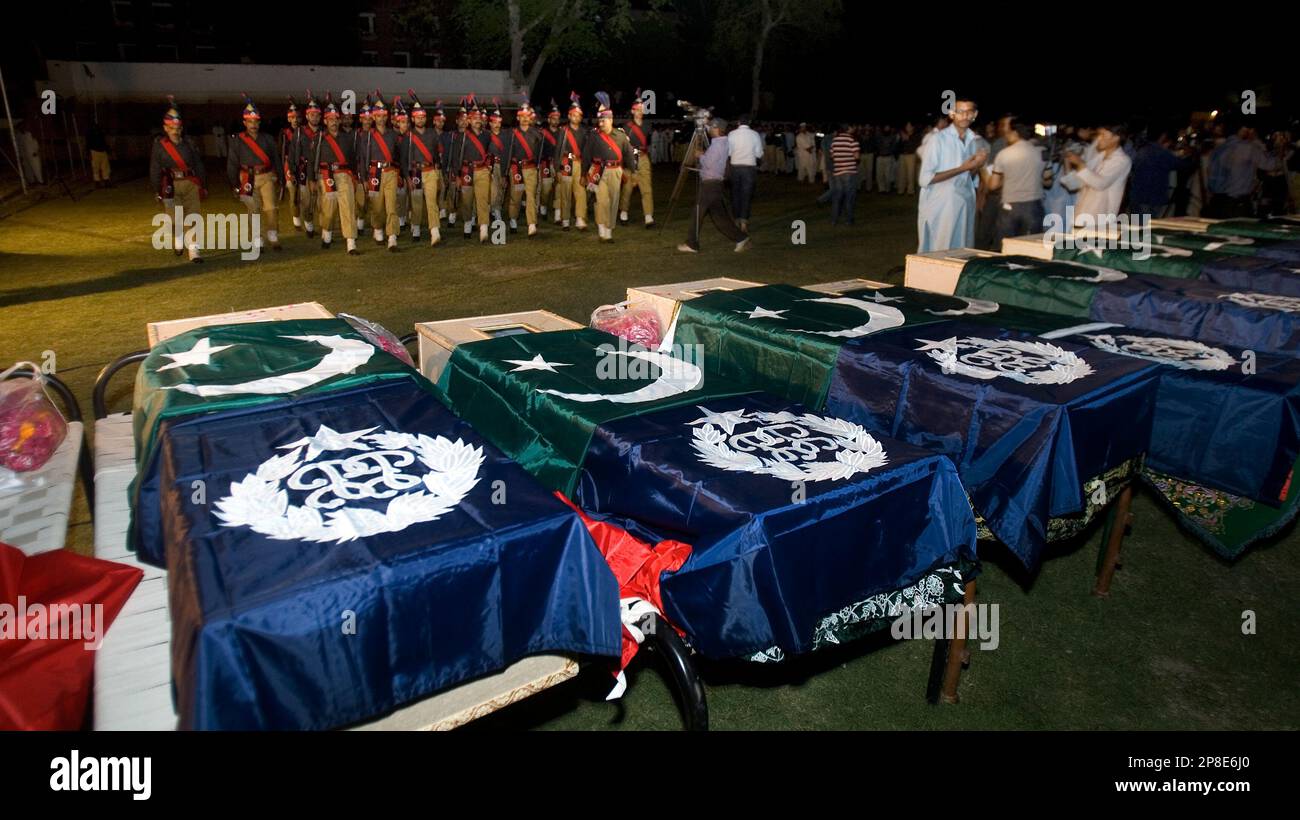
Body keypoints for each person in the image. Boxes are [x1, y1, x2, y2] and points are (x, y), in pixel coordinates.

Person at [917, 97, 986, 251]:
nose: (965, 116)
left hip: (965, 201)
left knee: (962, 249)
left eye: (969, 112)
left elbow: (970, 177)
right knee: (940, 249)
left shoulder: (975, 140)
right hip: (941, 205)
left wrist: (977, 165)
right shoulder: (938, 140)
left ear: (975, 114)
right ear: (951, 114)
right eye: (960, 111)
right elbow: (925, 179)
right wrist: (963, 168)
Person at [678, 117, 750, 253]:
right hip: (715, 184)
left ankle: (692, 244)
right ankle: (741, 238)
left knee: (697, 213)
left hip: (710, 185)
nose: (708, 129)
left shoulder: (717, 144)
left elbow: (708, 163)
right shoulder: (722, 141)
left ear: (717, 129)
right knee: (719, 217)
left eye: (711, 127)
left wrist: (700, 155)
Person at [149, 97, 205, 262]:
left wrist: (203, 184)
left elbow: (198, 164)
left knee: (193, 216)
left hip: (190, 183)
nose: (176, 130)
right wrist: (157, 189)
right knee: (175, 217)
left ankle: (194, 250)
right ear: (165, 128)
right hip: (170, 185)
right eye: (172, 127)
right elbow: (155, 168)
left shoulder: (188, 143)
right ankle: (178, 239)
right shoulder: (159, 146)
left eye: (178, 127)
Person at [227, 96, 281, 251]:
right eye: (250, 122)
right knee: (253, 210)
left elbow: (275, 159)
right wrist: (235, 185)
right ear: (244, 123)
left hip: (266, 176)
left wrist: (281, 178)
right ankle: (258, 239)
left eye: (256, 121)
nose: (253, 125)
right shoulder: (237, 140)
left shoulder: (268, 139)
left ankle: (272, 235)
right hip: (247, 178)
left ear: (259, 122)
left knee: (271, 207)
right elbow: (232, 163)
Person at [313, 94, 359, 254]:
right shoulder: (319, 138)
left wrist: (354, 176)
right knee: (328, 209)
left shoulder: (347, 138)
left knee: (348, 207)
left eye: (336, 119)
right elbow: (314, 158)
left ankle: (351, 242)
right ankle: (327, 233)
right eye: (330, 119)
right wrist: (313, 178)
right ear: (325, 121)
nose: (333, 122)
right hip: (326, 175)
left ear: (339, 120)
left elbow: (353, 158)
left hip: (343, 174)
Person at [585, 92, 634, 242]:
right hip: (598, 171)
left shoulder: (620, 136)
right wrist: (582, 174)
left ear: (611, 119)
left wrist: (633, 171)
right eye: (600, 119)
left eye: (604, 119)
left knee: (613, 201)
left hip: (616, 172)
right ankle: (602, 230)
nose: (601, 122)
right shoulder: (594, 136)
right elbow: (586, 155)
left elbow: (628, 155)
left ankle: (609, 229)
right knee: (601, 201)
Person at [986, 118, 1045, 244]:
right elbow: (1048, 182)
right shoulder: (1040, 152)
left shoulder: (1004, 154)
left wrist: (982, 170)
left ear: (1015, 132)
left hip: (1010, 206)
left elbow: (993, 185)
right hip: (1034, 206)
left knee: (1007, 247)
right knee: (1031, 248)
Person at [1061, 123, 1132, 227]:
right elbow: (1074, 184)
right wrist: (1067, 162)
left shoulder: (1122, 160)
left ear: (1116, 138)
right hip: (1081, 217)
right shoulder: (1099, 157)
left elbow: (1100, 183)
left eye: (1103, 135)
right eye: (1098, 135)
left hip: (1099, 221)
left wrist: (1080, 164)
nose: (1098, 138)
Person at [1206, 123, 1280, 217]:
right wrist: (1279, 151)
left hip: (1217, 201)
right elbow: (1271, 165)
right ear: (1244, 129)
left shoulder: (1220, 148)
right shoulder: (1248, 148)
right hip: (1238, 202)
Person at [362, 94, 403, 250]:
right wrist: (364, 177)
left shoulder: (393, 134)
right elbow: (363, 157)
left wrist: (401, 174)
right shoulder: (367, 136)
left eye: (383, 115)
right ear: (373, 117)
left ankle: (392, 236)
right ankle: (378, 228)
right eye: (378, 116)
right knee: (377, 207)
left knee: (392, 206)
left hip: (391, 171)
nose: (381, 118)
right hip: (374, 172)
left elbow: (399, 155)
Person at [1129, 128, 1195, 218]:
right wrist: (1190, 154)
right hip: (1152, 197)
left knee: (1137, 227)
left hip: (1137, 195)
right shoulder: (1160, 152)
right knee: (1147, 226)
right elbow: (1182, 164)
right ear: (1162, 136)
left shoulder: (1141, 150)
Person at [404, 92, 442, 246]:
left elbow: (436, 153)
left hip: (430, 171)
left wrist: (438, 169)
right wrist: (407, 177)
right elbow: (404, 159)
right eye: (418, 117)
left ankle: (435, 231)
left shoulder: (433, 133)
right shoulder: (409, 136)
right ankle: (417, 227)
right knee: (417, 202)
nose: (421, 119)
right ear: (413, 119)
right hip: (415, 173)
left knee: (432, 202)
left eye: (423, 117)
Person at [507, 96, 544, 236]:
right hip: (516, 168)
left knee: (531, 196)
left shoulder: (537, 134)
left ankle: (531, 224)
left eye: (527, 116)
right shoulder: (512, 133)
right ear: (518, 118)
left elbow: (541, 151)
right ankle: (513, 219)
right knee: (516, 196)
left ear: (530, 117)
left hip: (530, 168)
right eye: (522, 116)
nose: (524, 119)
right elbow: (508, 152)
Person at [617, 90, 655, 228]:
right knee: (627, 188)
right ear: (632, 111)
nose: (640, 111)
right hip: (630, 159)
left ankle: (648, 216)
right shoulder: (626, 127)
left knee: (646, 187)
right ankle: (623, 212)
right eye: (637, 109)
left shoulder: (647, 126)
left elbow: (647, 144)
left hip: (643, 158)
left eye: (642, 109)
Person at [458, 97, 493, 242]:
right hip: (466, 170)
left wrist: (490, 165)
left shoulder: (487, 135)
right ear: (469, 121)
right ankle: (467, 224)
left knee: (482, 200)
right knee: (467, 200)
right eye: (474, 118)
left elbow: (491, 151)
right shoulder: (463, 137)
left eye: (479, 118)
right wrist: (457, 175)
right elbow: (457, 157)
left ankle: (483, 228)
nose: (478, 121)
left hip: (482, 170)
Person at [557, 91, 590, 230]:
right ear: (569, 115)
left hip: (579, 163)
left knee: (580, 192)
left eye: (578, 115)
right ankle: (565, 219)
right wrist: (556, 167)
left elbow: (586, 151)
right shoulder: (563, 131)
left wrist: (586, 170)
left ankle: (580, 218)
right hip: (566, 164)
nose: (576, 117)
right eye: (573, 115)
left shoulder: (584, 131)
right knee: (565, 192)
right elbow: (558, 150)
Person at [728, 115, 764, 233]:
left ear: (738, 122)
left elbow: (728, 152)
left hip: (735, 166)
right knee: (746, 195)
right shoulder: (755, 134)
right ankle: (744, 223)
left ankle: (736, 219)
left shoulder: (732, 134)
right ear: (749, 122)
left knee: (735, 194)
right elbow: (759, 154)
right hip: (749, 168)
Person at [828, 123, 861, 225]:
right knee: (849, 197)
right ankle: (849, 220)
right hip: (849, 172)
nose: (854, 128)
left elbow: (832, 156)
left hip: (838, 172)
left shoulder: (835, 140)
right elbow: (857, 156)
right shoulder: (852, 140)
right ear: (849, 128)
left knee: (837, 197)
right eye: (853, 126)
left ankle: (834, 220)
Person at [539, 100, 561, 223]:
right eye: (553, 118)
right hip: (546, 163)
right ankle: (543, 207)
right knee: (546, 189)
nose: (556, 120)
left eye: (557, 118)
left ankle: (558, 214)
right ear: (549, 119)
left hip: (558, 163)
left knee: (559, 188)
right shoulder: (542, 133)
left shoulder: (562, 133)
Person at [897, 122, 921, 195]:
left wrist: (908, 137)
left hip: (911, 155)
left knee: (910, 174)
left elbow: (916, 145)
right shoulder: (902, 135)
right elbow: (898, 145)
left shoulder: (916, 135)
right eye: (907, 126)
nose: (908, 127)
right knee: (901, 173)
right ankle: (901, 190)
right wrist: (901, 139)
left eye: (909, 126)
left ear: (912, 127)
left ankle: (910, 190)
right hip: (902, 155)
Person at [875, 124, 899, 194]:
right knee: (879, 174)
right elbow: (876, 145)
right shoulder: (879, 136)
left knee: (888, 174)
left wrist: (889, 151)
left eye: (888, 127)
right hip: (880, 157)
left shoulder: (892, 136)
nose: (886, 128)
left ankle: (887, 189)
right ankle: (881, 189)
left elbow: (894, 146)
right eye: (885, 127)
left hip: (888, 157)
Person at [87, 123, 111, 188]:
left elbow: (104, 142)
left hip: (102, 151)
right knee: (96, 167)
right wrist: (88, 153)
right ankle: (97, 181)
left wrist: (108, 150)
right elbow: (88, 144)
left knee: (105, 167)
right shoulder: (91, 135)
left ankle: (106, 180)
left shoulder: (101, 134)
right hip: (94, 151)